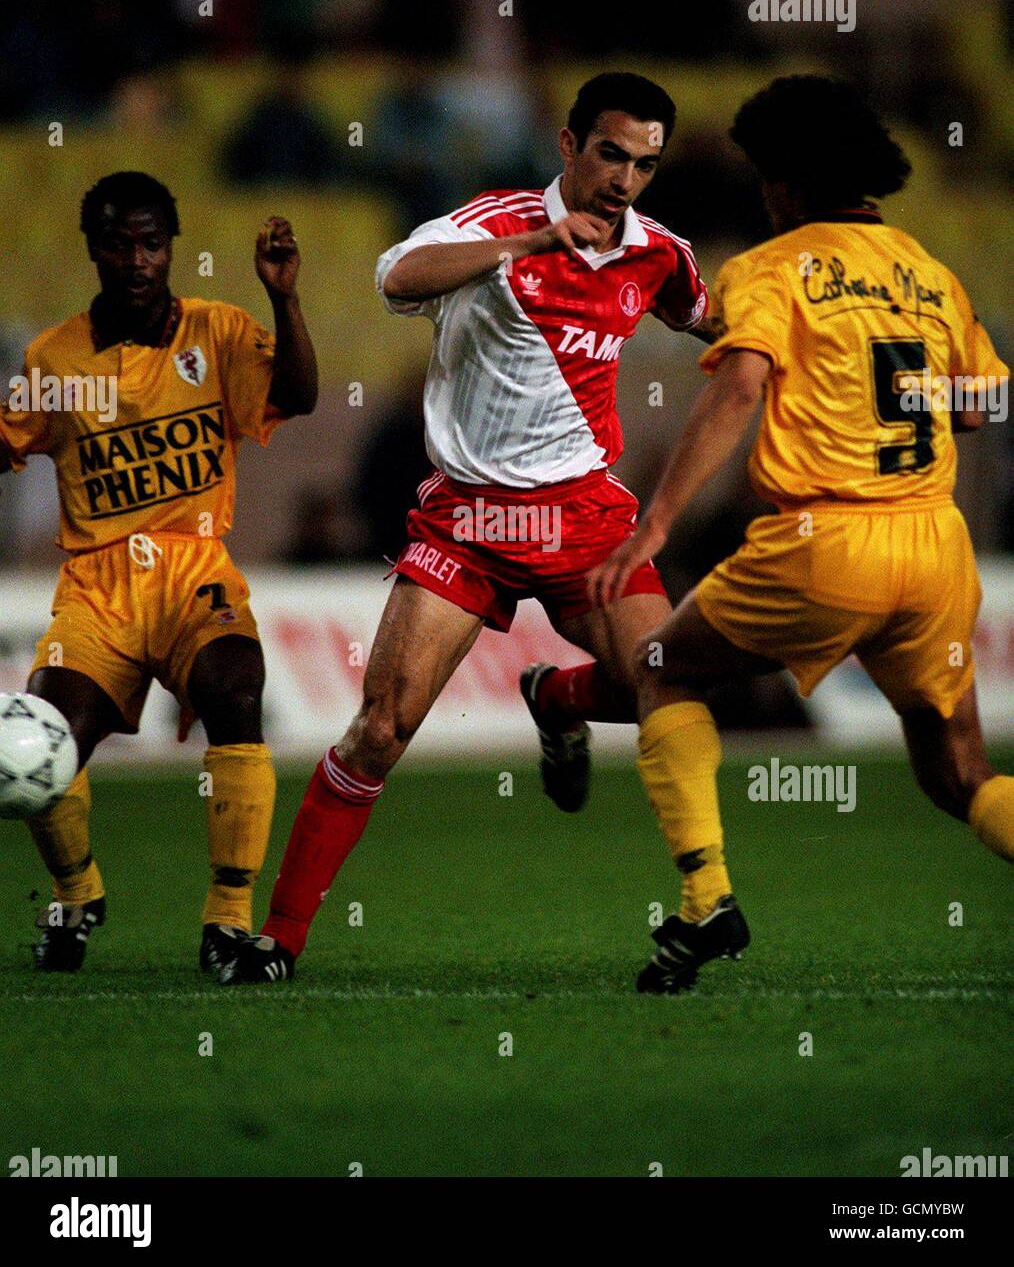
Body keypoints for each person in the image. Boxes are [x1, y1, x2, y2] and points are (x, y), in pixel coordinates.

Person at [223, 72, 709, 982]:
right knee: (378, 731)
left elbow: (715, 326)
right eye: (611, 154)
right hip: (468, 522)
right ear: (569, 145)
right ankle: (276, 942)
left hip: (583, 516)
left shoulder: (660, 256)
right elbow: (394, 276)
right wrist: (528, 242)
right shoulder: (494, 221)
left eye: (645, 164)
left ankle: (557, 701)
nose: (625, 180)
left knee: (670, 684)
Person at [586, 76, 1012, 993]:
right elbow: (986, 404)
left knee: (663, 667)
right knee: (961, 772)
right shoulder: (928, 270)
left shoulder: (774, 267)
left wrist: (654, 522)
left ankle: (707, 897)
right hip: (937, 546)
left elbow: (739, 386)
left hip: (827, 542)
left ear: (783, 182)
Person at [0, 171, 317, 974]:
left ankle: (227, 924)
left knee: (237, 690)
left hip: (191, 570)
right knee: (44, 746)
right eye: (118, 243)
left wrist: (284, 298)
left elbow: (302, 397)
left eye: (152, 242)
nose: (137, 259)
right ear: (94, 249)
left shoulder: (217, 331)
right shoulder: (54, 358)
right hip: (99, 587)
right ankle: (77, 895)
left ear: (170, 245)